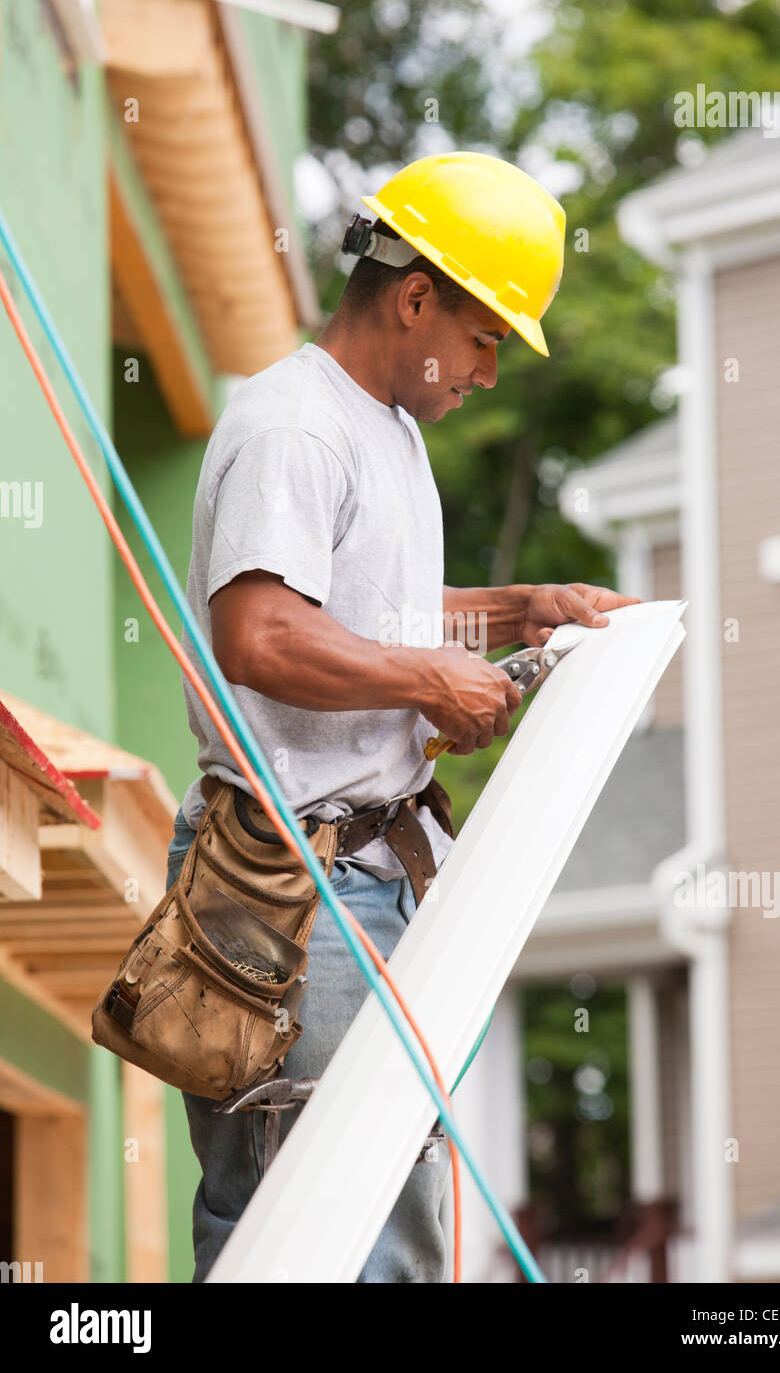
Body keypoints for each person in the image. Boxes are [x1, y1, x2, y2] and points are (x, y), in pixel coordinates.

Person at [168, 151, 640, 1283]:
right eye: (484, 338)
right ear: (415, 295)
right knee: (312, 1215)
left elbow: (369, 615)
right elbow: (263, 634)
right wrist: (430, 683)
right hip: (293, 886)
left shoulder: (386, 430)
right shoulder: (296, 425)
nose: (487, 372)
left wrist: (517, 609)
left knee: (383, 1207)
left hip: (357, 878)